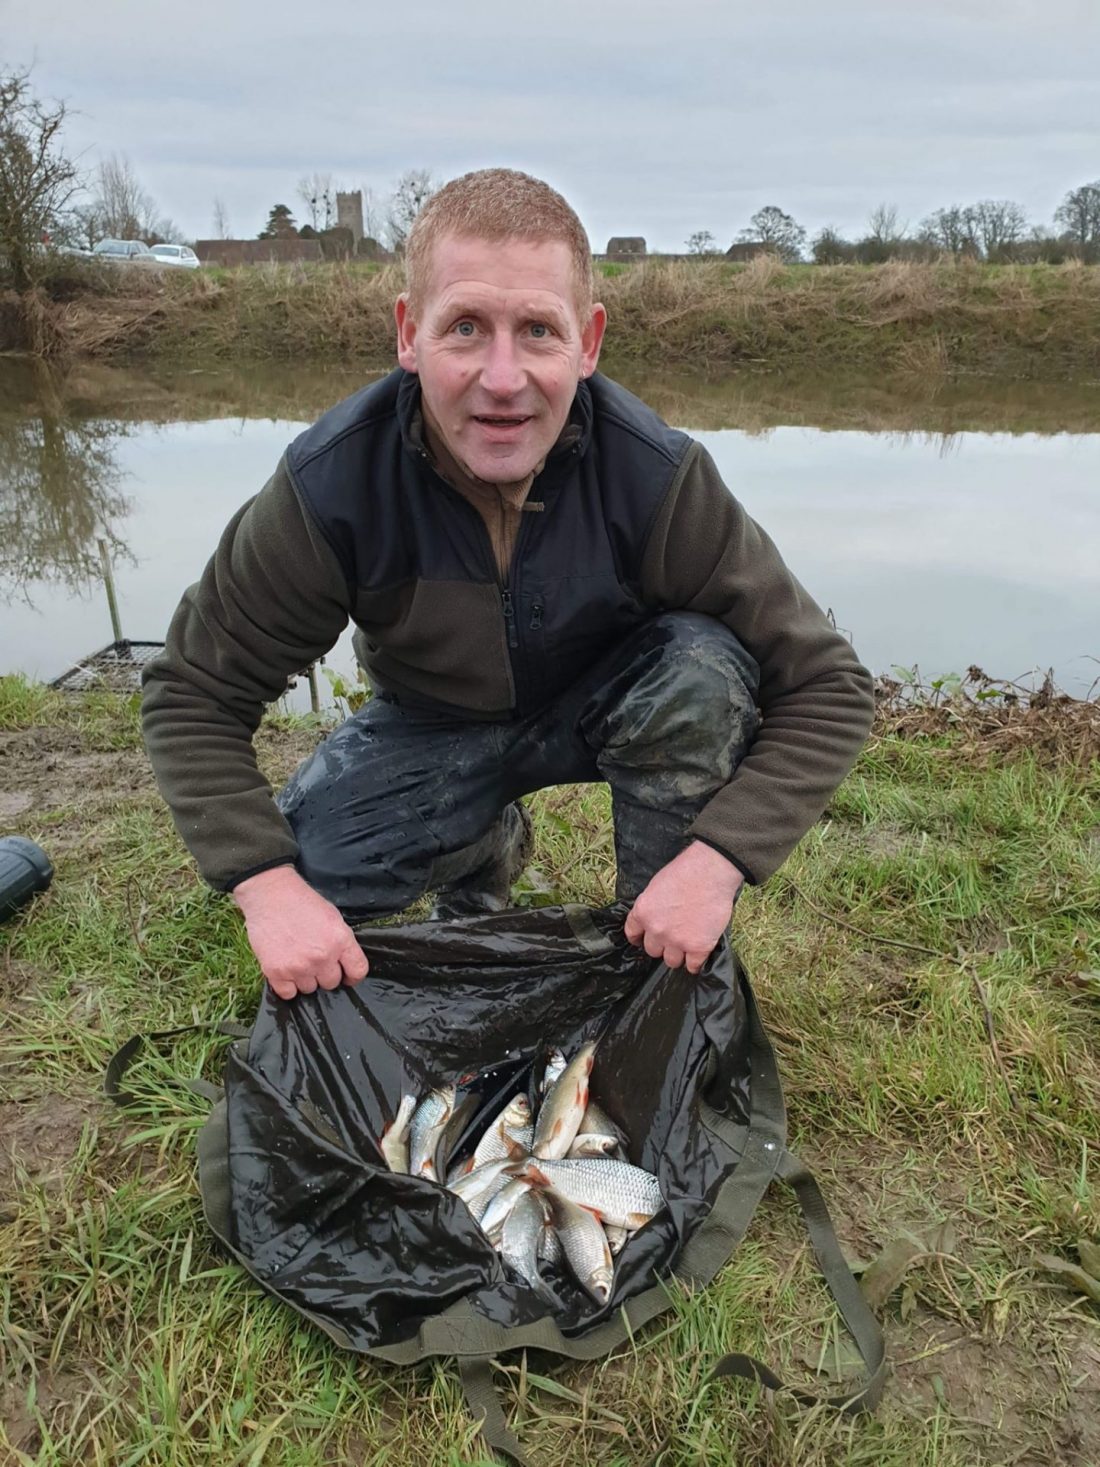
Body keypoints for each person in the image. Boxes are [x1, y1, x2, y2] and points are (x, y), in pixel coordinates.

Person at [142, 168, 874, 1002]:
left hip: (611, 706)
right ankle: (483, 841)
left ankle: (657, 940)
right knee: (313, 863)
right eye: (464, 328)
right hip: (432, 722)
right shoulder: (332, 484)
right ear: (407, 336)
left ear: (588, 343)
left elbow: (830, 685)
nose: (501, 377)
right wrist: (266, 887)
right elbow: (192, 693)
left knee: (700, 669)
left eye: (537, 330)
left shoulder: (657, 477)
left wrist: (718, 863)